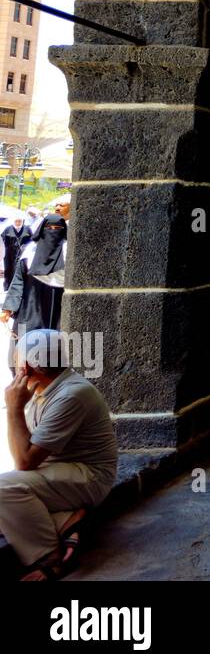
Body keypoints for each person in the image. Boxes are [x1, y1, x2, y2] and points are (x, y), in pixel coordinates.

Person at [0, 328, 118, 580]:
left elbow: (23, 461)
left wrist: (13, 409)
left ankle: (49, 558)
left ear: (28, 368)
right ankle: (68, 522)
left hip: (89, 477)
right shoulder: (44, 390)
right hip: (63, 474)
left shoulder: (71, 395)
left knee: (2, 488)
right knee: (12, 489)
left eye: (18, 359)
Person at [2, 214, 67, 366]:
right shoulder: (30, 251)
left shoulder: (68, 251)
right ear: (41, 230)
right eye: (49, 228)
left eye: (57, 229)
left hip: (58, 308)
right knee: (25, 348)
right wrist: (8, 309)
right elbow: (18, 282)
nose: (52, 231)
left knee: (53, 350)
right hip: (31, 305)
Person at [2, 213, 31, 292]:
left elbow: (31, 240)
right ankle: (7, 287)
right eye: (16, 221)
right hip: (9, 253)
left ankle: (19, 287)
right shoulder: (8, 229)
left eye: (19, 221)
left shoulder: (27, 229)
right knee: (8, 269)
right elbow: (2, 240)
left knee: (20, 269)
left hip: (22, 253)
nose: (18, 223)